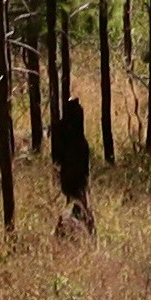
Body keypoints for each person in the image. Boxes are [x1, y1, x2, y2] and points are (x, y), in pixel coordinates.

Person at [52, 91, 95, 236]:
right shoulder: (74, 136)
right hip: (74, 173)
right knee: (79, 203)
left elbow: (56, 157)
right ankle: (84, 231)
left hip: (69, 173)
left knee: (75, 202)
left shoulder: (60, 129)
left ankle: (78, 230)